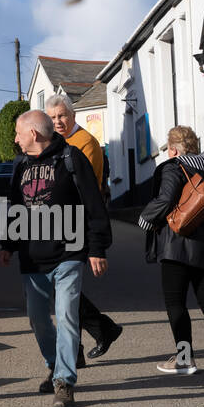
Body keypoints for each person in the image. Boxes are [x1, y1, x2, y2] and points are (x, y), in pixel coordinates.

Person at [0, 110, 111, 407]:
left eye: (18, 133)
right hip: (32, 258)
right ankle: (54, 365)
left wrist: (97, 248)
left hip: (69, 254)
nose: (15, 139)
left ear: (33, 134)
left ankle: (64, 381)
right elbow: (14, 206)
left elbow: (94, 205)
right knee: (37, 319)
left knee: (67, 316)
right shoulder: (20, 164)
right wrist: (8, 243)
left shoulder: (71, 159)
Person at [138, 126, 204, 375]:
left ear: (172, 149)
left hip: (176, 246)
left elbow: (166, 198)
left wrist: (146, 219)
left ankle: (185, 359)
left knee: (176, 303)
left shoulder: (173, 167)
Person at [45, 94, 123, 360]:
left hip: (78, 221)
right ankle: (100, 330)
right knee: (63, 287)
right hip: (58, 222)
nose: (58, 122)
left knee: (65, 286)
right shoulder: (56, 143)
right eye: (53, 117)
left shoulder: (85, 142)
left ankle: (77, 350)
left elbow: (82, 187)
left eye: (62, 116)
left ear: (73, 116)